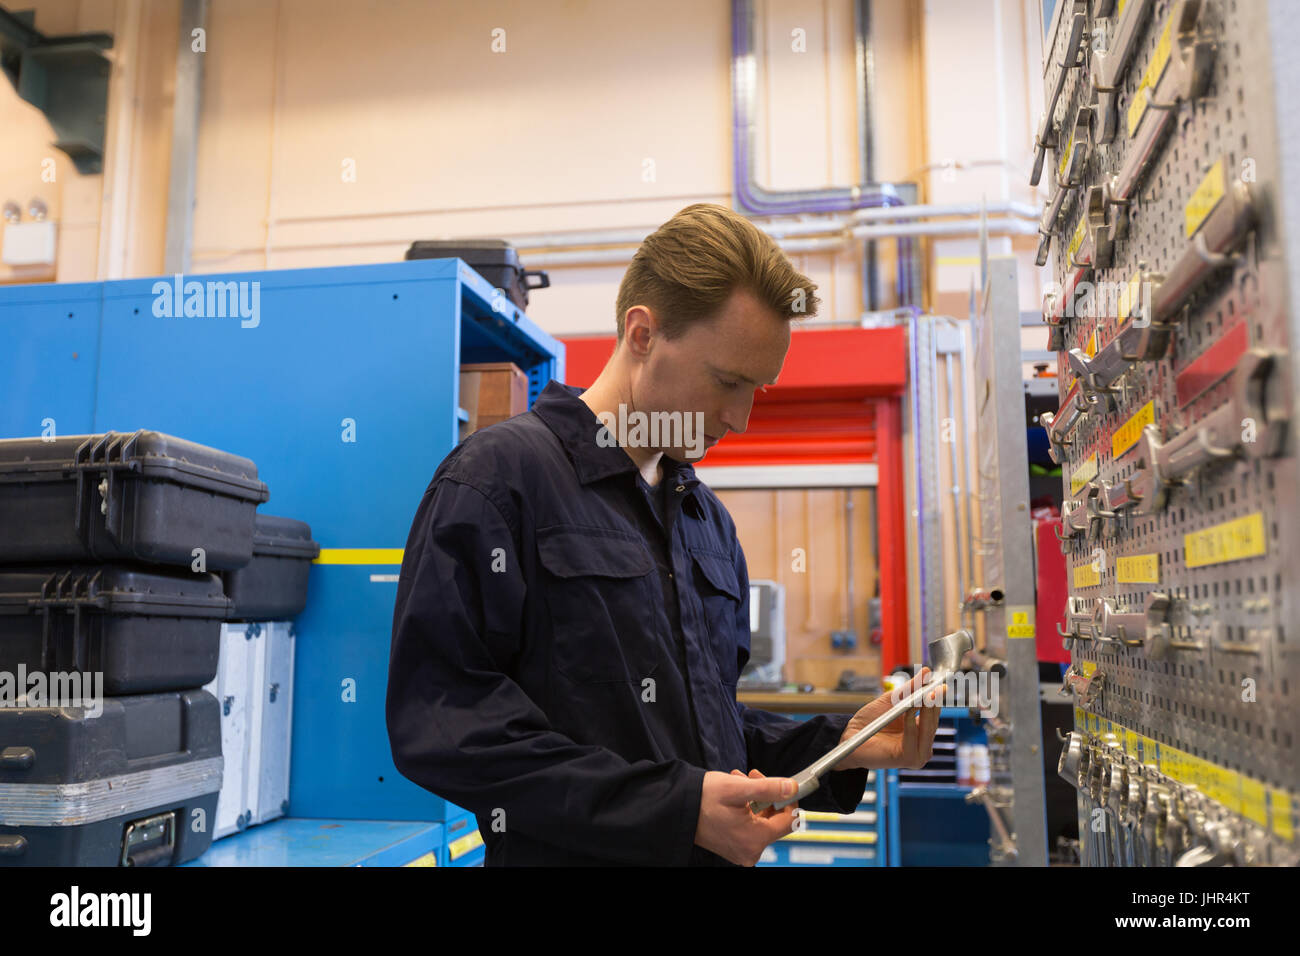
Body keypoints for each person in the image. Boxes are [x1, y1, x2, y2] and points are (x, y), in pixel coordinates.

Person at [386, 203, 943, 866]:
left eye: (757, 391)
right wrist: (675, 810)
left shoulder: (706, 524)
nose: (738, 419)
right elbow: (445, 728)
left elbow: (706, 733)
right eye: (728, 382)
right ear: (643, 334)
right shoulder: (500, 483)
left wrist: (841, 746)